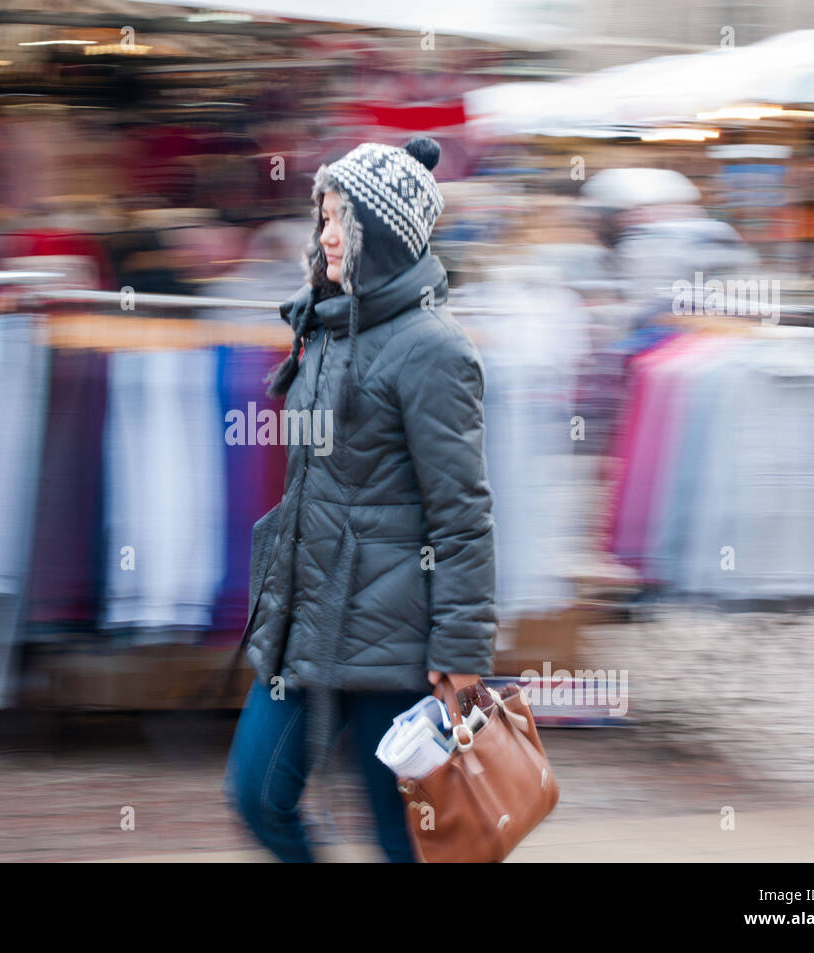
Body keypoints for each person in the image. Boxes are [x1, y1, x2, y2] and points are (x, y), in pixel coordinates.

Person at [223, 136, 497, 862]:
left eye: (344, 218)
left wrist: (461, 661)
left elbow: (464, 519)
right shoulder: (325, 327)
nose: (327, 234)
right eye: (323, 216)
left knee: (403, 840)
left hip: (396, 645)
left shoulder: (437, 350)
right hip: (308, 624)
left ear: (386, 234)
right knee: (255, 793)